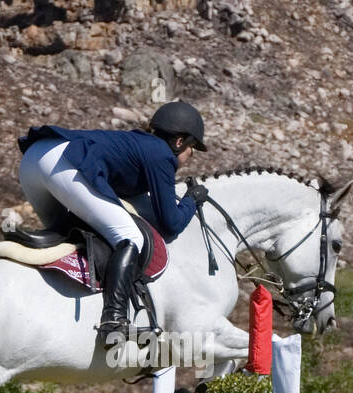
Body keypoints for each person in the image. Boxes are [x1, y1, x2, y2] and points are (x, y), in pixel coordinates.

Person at [17, 101, 210, 346]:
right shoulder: (162, 154)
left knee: (66, 235)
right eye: (192, 147)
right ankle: (114, 321)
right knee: (131, 238)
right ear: (180, 141)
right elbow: (170, 224)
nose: (191, 155)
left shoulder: (140, 145)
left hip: (36, 157)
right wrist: (192, 200)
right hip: (63, 162)